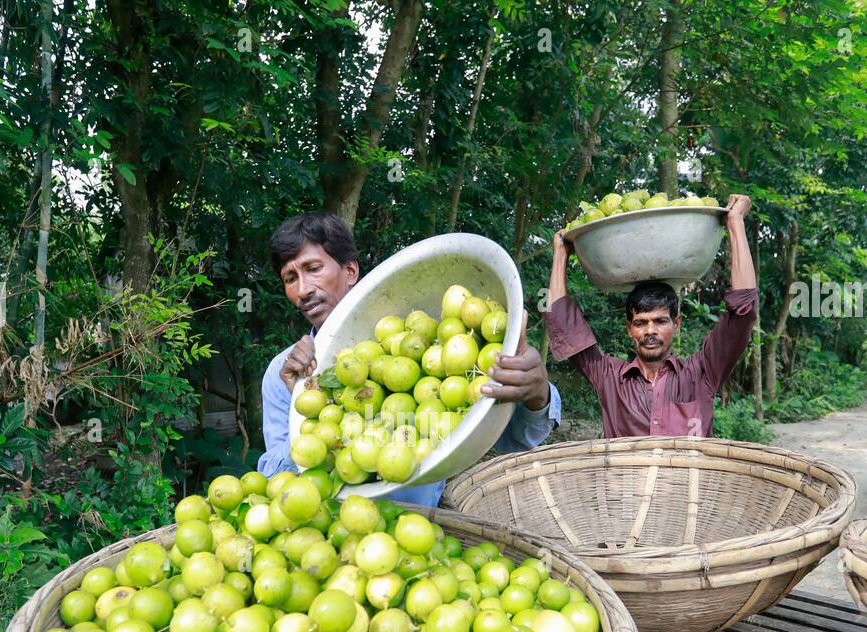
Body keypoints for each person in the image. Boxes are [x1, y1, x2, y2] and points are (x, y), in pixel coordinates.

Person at [257, 212, 561, 506]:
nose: (303, 289)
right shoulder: (283, 372)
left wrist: (537, 394)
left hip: (418, 537)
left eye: (313, 269)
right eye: (290, 278)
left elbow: (514, 438)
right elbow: (278, 483)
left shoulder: (420, 340)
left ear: (350, 271)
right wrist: (298, 394)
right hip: (330, 542)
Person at [543, 194, 757, 438]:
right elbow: (564, 325)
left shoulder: (702, 373)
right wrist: (560, 255)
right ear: (629, 329)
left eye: (660, 321)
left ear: (676, 324)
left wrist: (735, 224)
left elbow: (743, 312)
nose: (650, 331)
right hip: (629, 478)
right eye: (641, 323)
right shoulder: (610, 378)